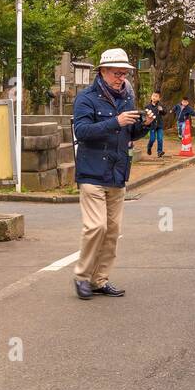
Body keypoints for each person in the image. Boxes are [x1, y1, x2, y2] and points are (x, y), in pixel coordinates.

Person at [71, 48, 153, 299]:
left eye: (125, 73)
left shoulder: (127, 96)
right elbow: (82, 132)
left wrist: (144, 125)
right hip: (91, 172)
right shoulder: (86, 98)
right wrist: (115, 121)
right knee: (96, 227)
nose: (122, 77)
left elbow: (128, 133)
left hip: (117, 172)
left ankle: (100, 279)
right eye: (117, 73)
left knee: (112, 231)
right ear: (103, 72)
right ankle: (82, 276)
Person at [144, 91, 166, 157]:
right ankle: (149, 147)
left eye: (156, 96)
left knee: (160, 138)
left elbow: (165, 113)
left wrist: (161, 110)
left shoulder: (160, 106)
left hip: (159, 125)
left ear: (159, 98)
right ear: (151, 97)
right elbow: (145, 115)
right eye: (153, 96)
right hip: (152, 125)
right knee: (152, 139)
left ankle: (159, 151)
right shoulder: (147, 106)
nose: (154, 97)